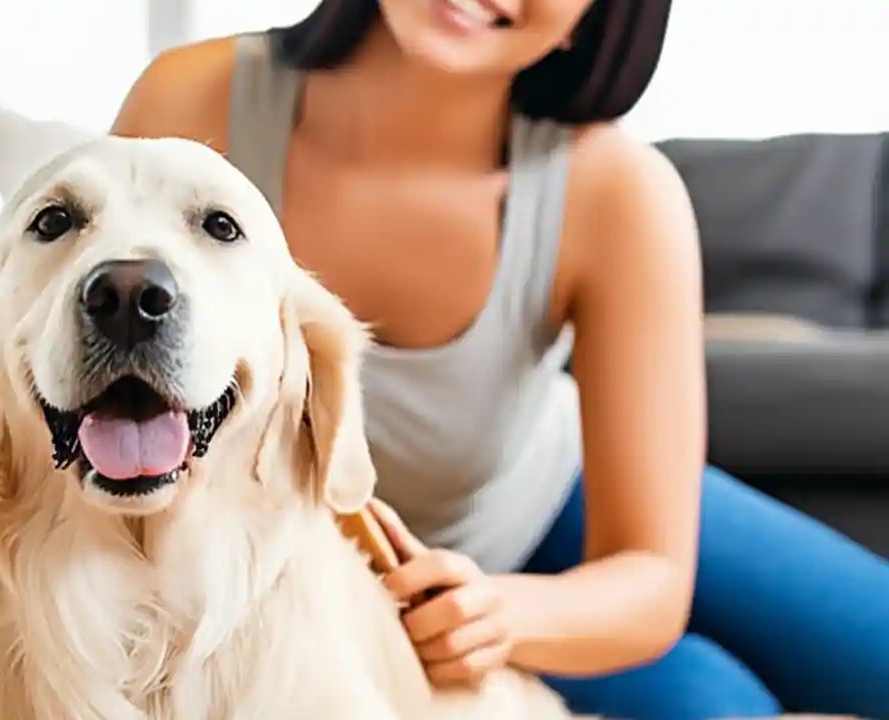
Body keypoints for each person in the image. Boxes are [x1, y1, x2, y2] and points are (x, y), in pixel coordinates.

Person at [107, 1, 889, 718]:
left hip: (545, 506)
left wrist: (503, 613)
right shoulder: (195, 101)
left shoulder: (615, 191)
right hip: (324, 584)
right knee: (713, 700)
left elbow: (650, 576)